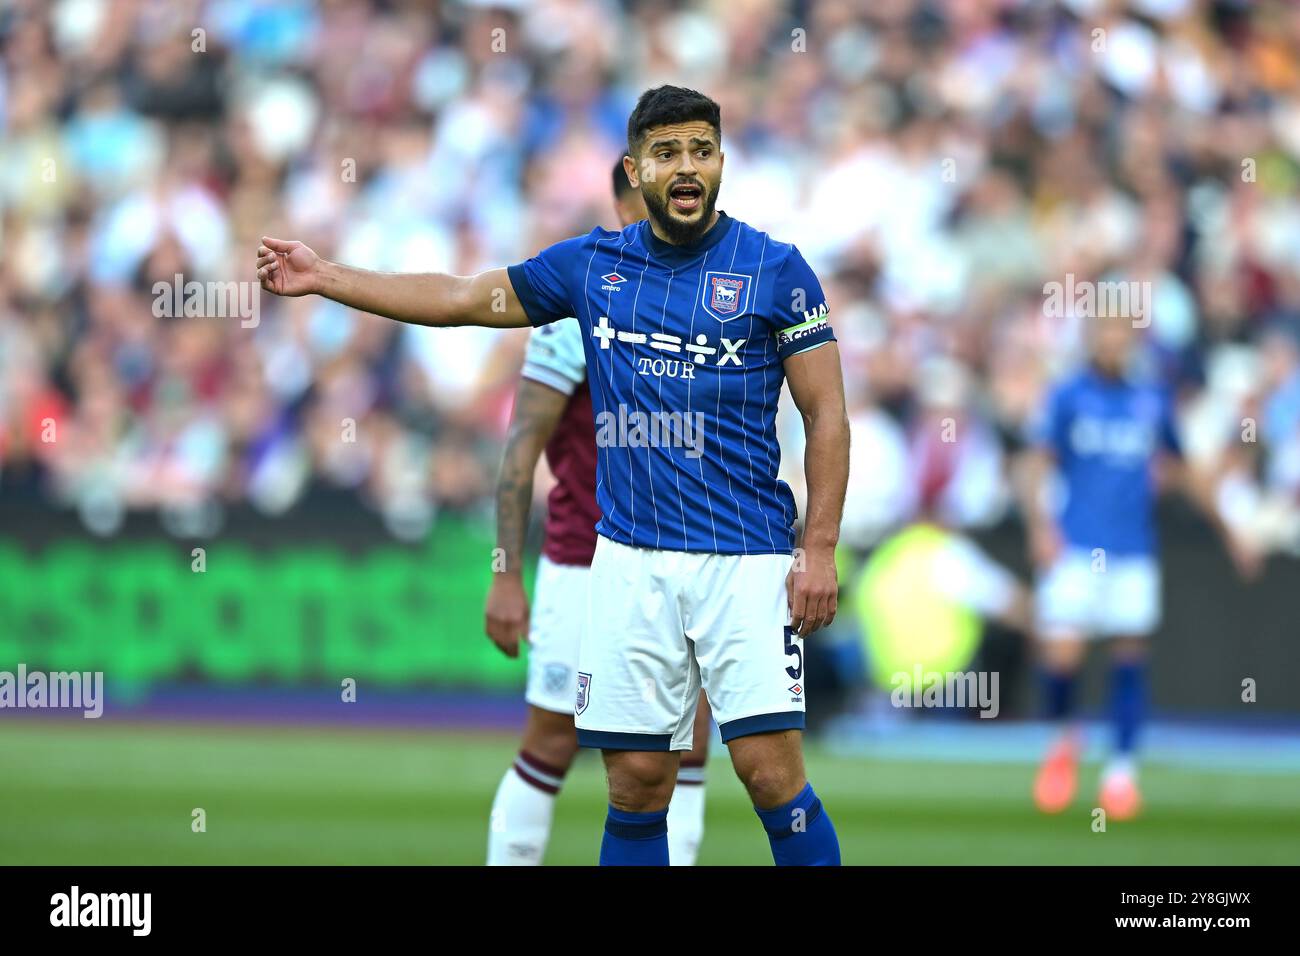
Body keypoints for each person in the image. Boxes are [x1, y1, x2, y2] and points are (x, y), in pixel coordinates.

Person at [256, 85, 848, 866]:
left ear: (721, 164)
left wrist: (821, 546)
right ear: (635, 169)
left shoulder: (776, 271)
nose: (686, 167)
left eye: (701, 150)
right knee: (636, 781)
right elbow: (464, 299)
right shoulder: (590, 267)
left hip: (746, 559)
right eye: (667, 152)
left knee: (769, 773)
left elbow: (827, 415)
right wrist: (330, 277)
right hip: (630, 561)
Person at [484, 160, 711, 866]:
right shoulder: (576, 305)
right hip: (584, 559)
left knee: (689, 742)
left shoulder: (703, 302)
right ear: (623, 200)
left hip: (683, 562)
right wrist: (504, 573)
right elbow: (521, 450)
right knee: (552, 740)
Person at [1022, 313, 1259, 821]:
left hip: (1131, 550)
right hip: (1077, 546)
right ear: (1090, 342)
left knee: (1129, 658)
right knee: (1060, 658)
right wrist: (1041, 525)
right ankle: (1064, 740)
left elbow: (1182, 468)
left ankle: (1121, 773)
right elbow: (1036, 463)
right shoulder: (1067, 396)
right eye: (1104, 337)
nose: (1113, 346)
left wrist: (1231, 528)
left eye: (1120, 337)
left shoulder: (1150, 401)